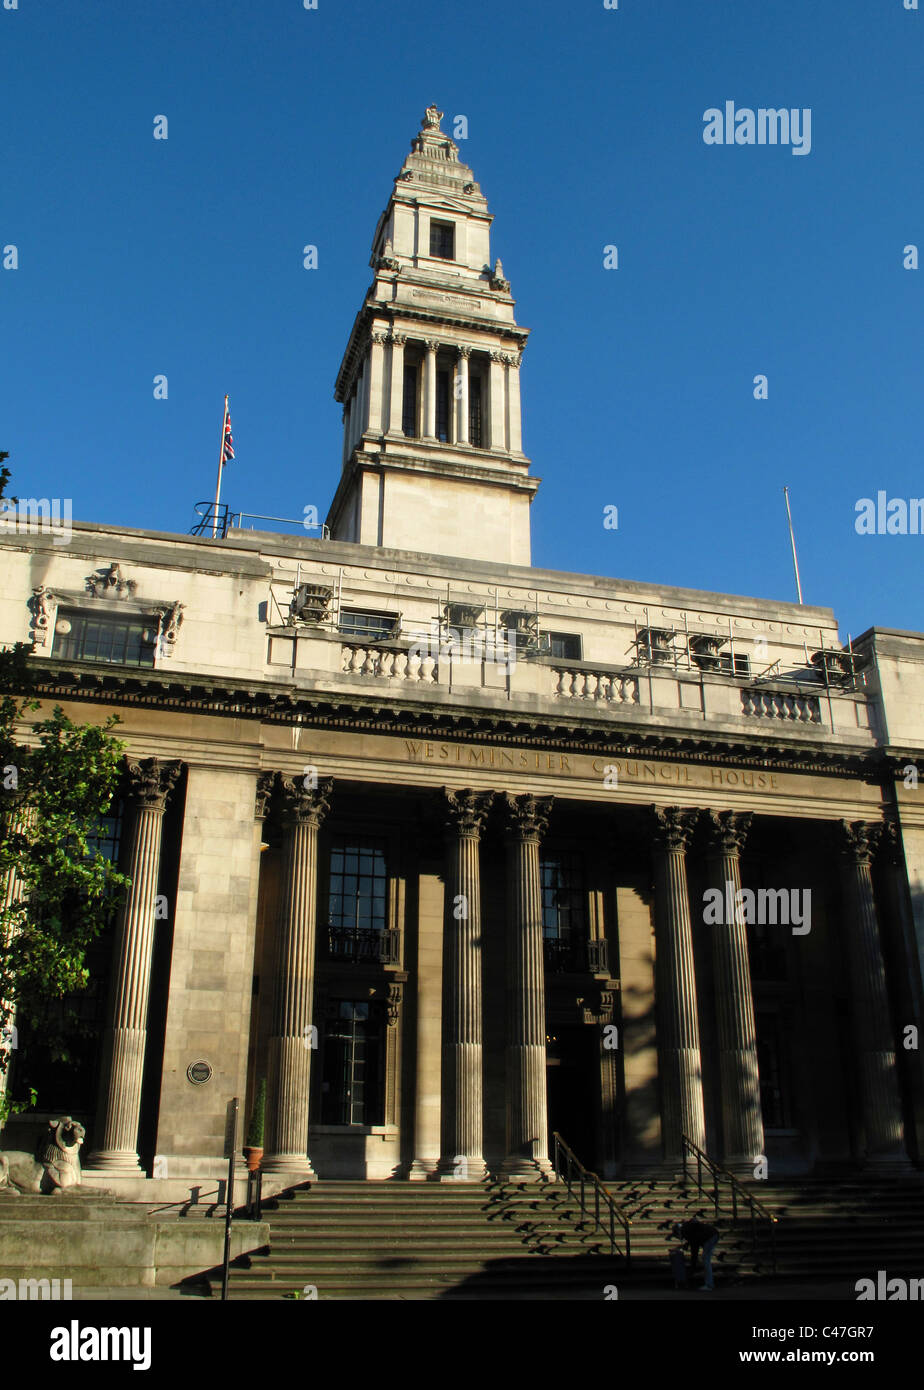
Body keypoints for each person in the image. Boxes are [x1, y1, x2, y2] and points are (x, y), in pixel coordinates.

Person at [672, 1219, 719, 1291]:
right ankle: (709, 1283)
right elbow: (695, 1241)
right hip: (712, 1234)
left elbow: (694, 1248)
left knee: (706, 1260)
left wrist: (692, 1267)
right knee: (706, 1259)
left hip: (710, 1236)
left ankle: (709, 1284)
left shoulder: (686, 1231)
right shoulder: (687, 1227)